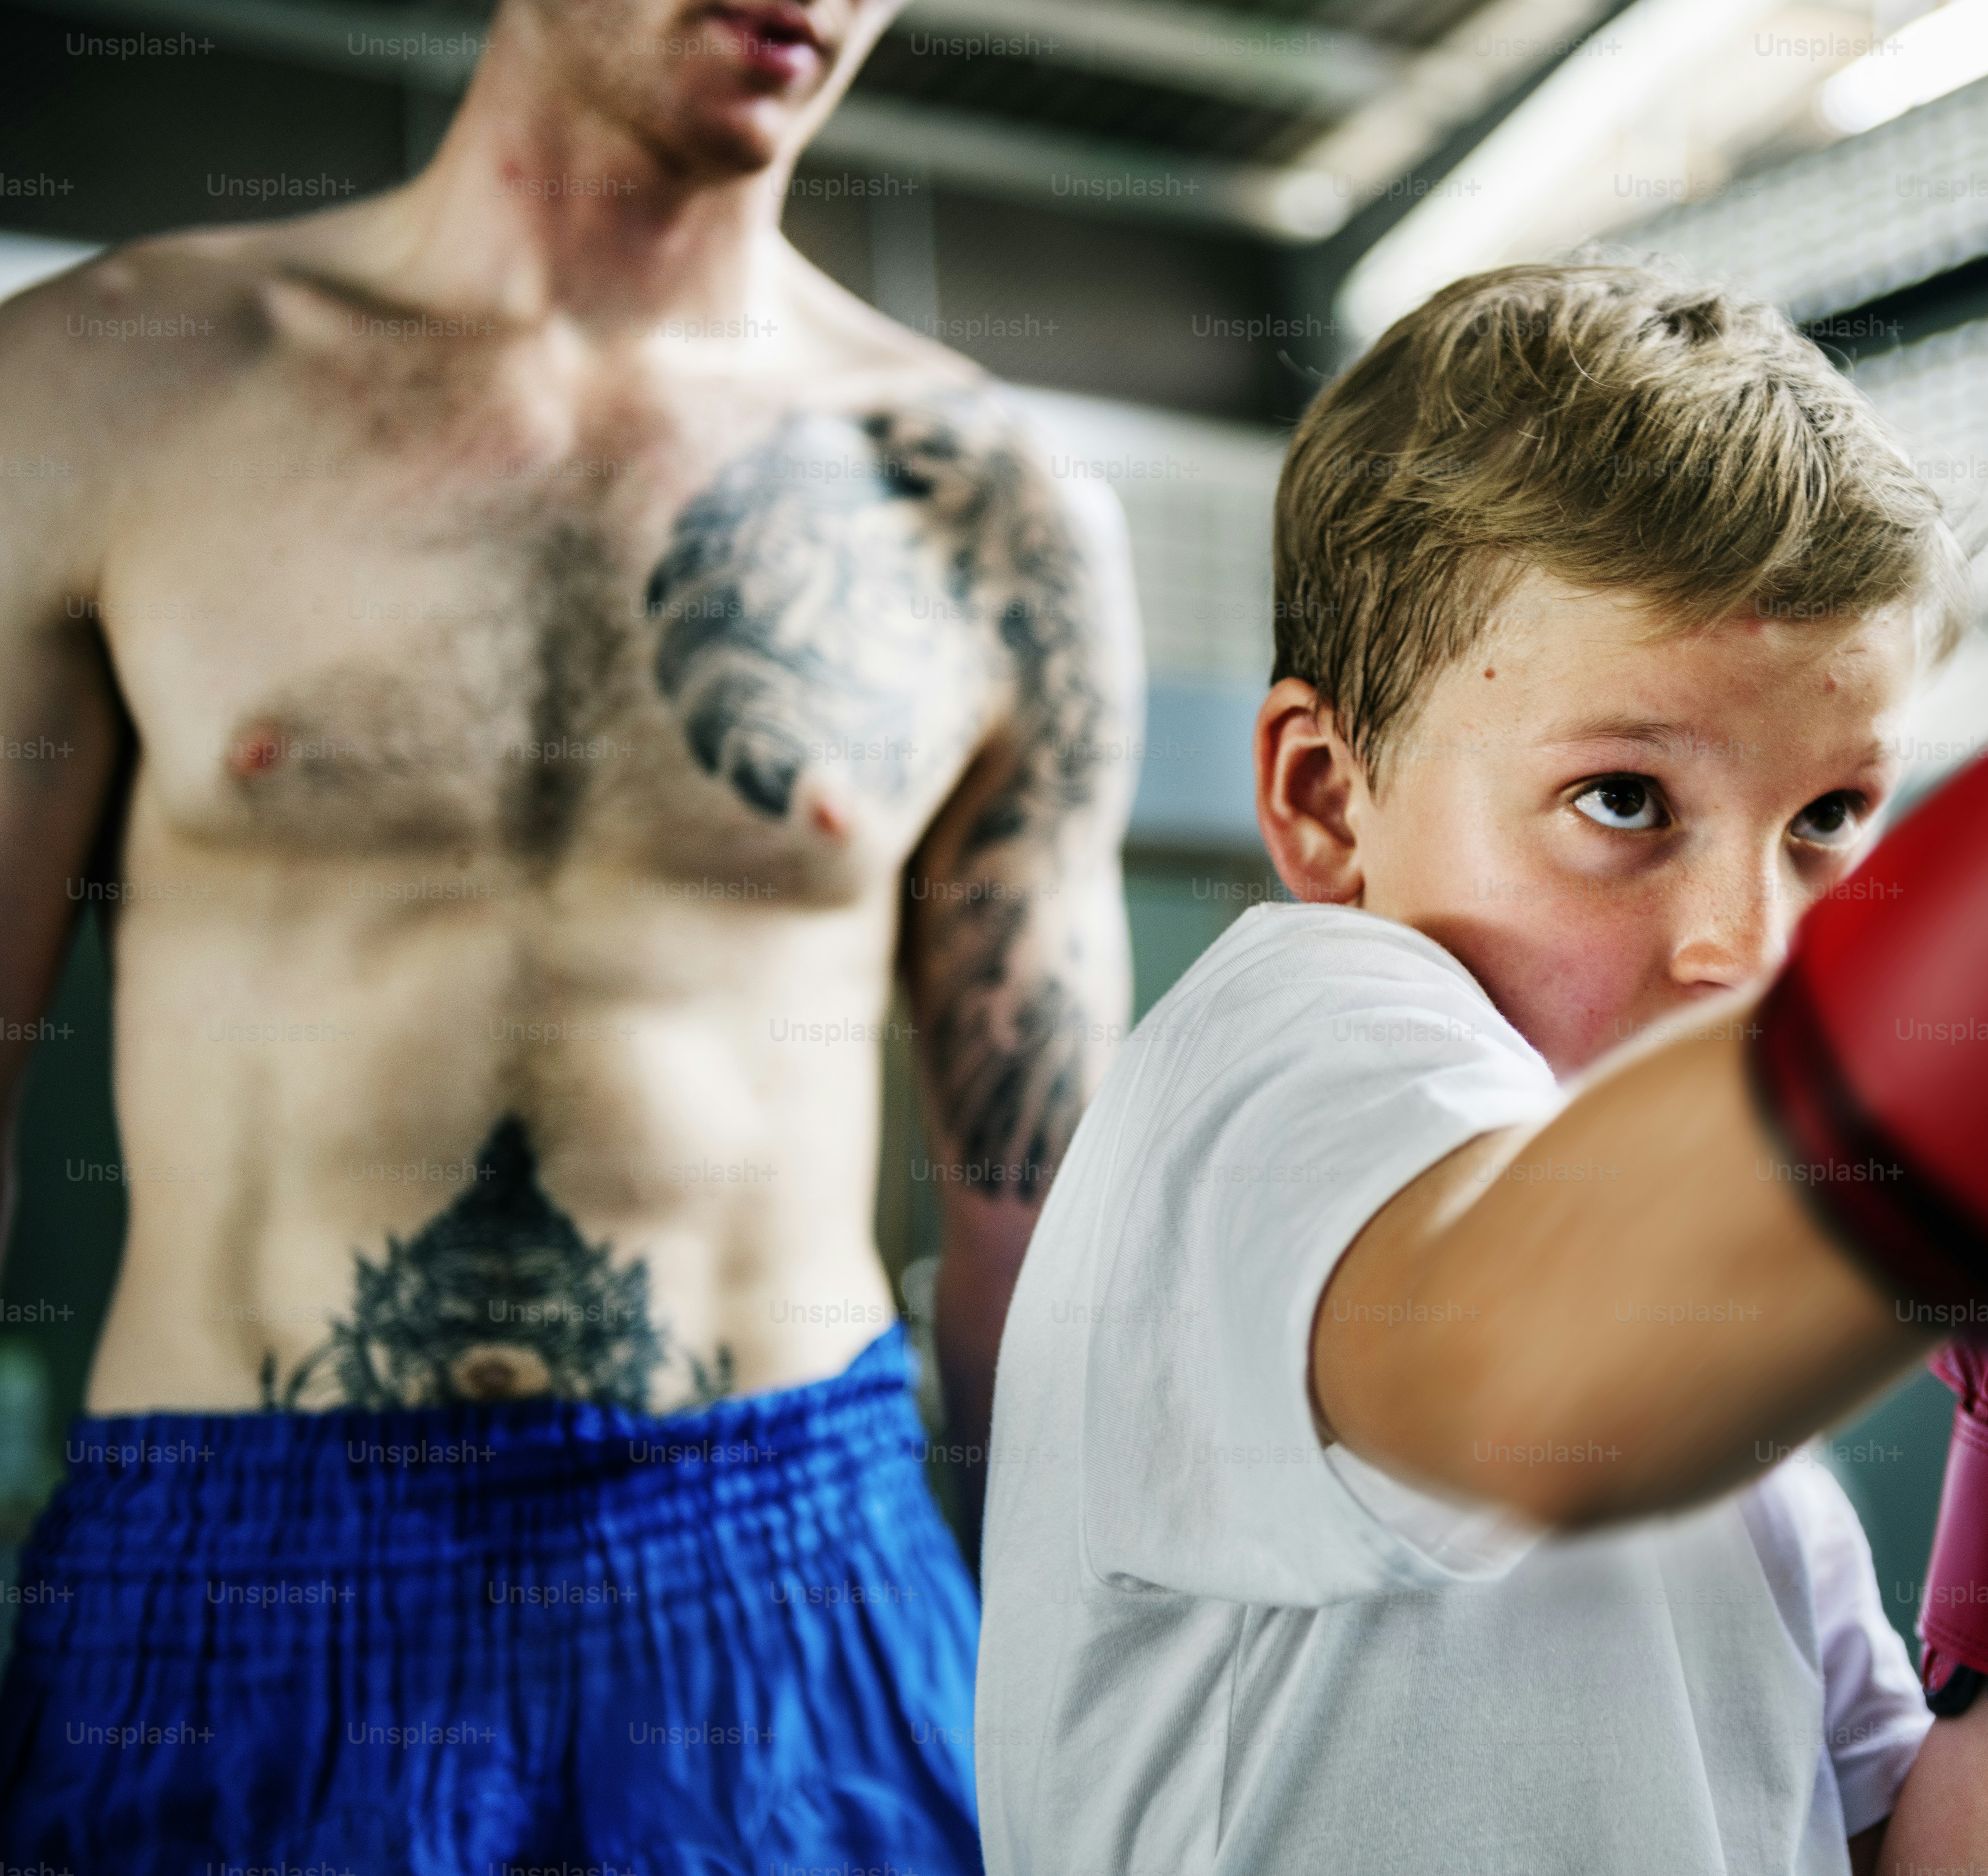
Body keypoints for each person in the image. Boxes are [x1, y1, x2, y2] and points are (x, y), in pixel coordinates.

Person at [0, 0, 1136, 1860]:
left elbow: (1055, 1250)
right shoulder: (97, 387)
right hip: (229, 1590)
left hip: (794, 1584)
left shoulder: (988, 509)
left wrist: (1106, 1723)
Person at [978, 261, 1988, 1876]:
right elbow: (1516, 1378)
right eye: (1622, 801)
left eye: (1828, 819)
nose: (1750, 947)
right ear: (1325, 800)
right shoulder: (1286, 1049)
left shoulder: (1731, 1441)